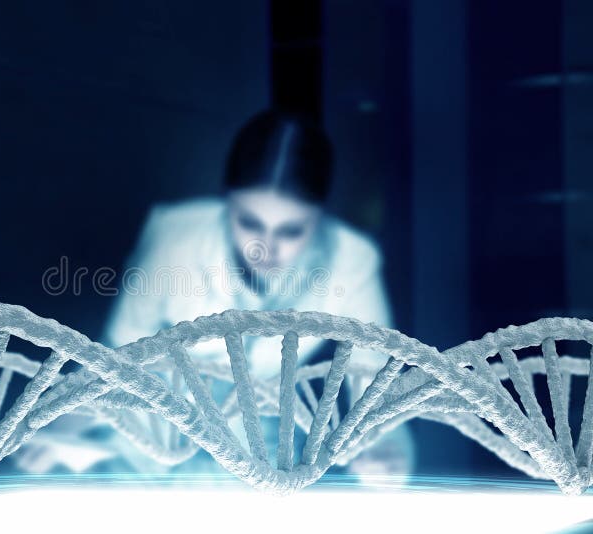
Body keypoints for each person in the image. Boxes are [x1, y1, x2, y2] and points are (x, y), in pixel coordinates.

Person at [100, 109, 415, 478]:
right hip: (155, 426)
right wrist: (72, 425)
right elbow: (118, 357)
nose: (265, 248)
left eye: (291, 231)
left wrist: (385, 452)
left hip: (265, 436)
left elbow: (375, 384)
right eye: (249, 223)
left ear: (319, 218)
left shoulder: (351, 260)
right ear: (226, 204)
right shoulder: (174, 239)